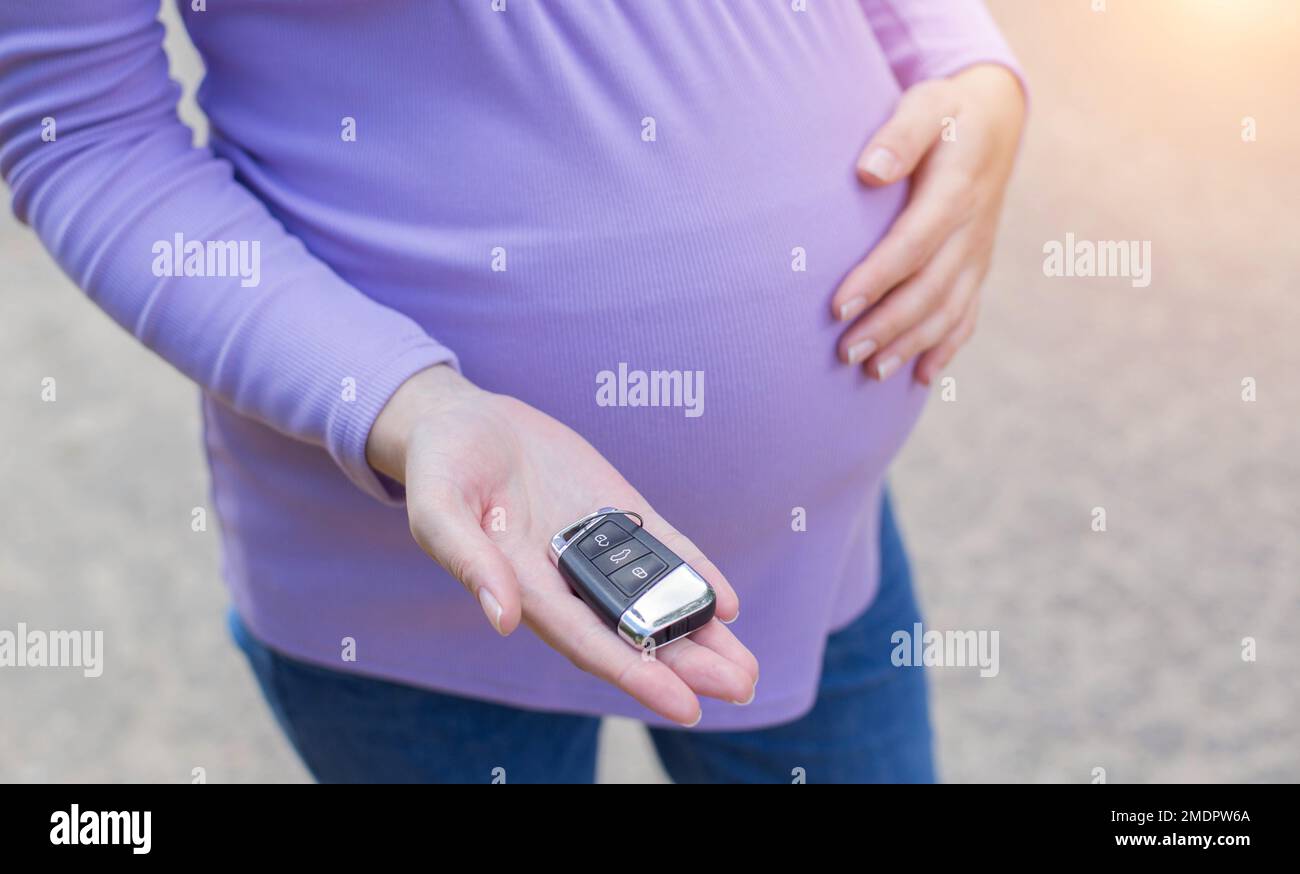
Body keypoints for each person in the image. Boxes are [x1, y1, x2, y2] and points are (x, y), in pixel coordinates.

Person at [0, 0, 1025, 783]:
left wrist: (964, 57)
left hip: (813, 543)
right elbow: (81, 134)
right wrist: (414, 406)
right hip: (415, 589)